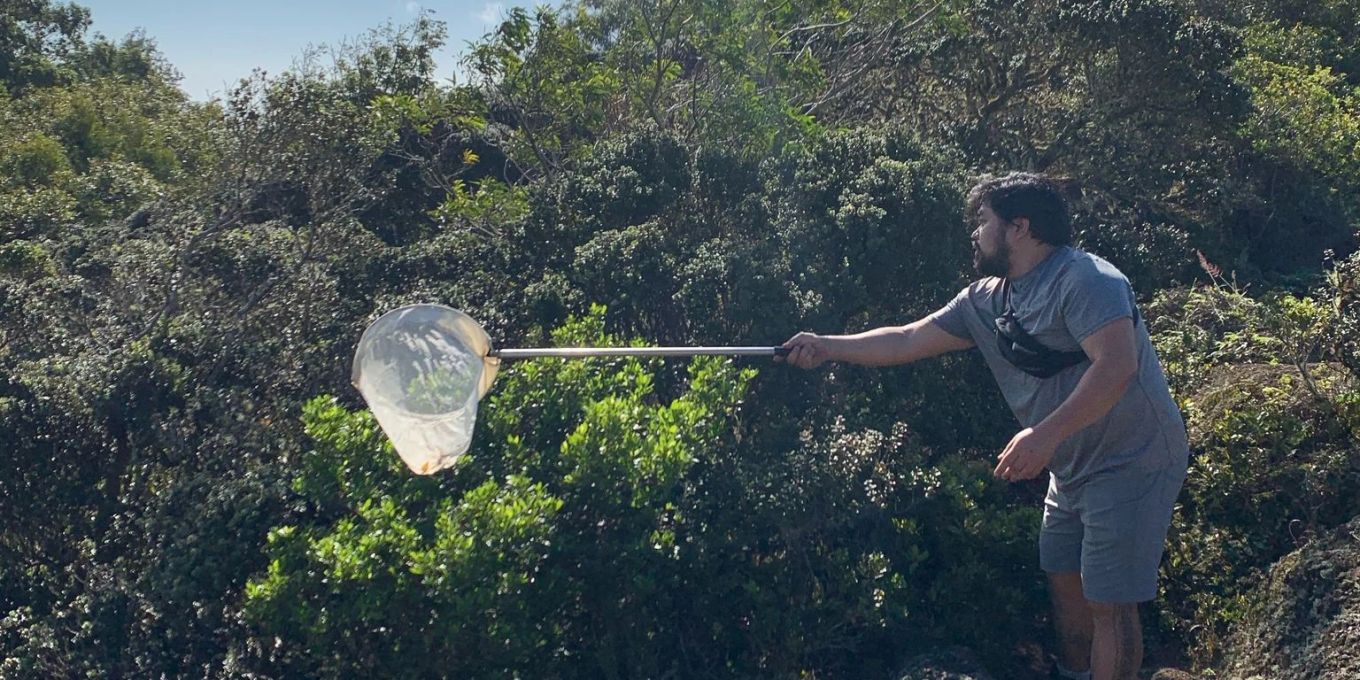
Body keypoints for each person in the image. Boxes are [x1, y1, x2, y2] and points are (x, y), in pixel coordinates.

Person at [777, 172, 1189, 680]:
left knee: (1110, 604)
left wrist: (1044, 435)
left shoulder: (1087, 280)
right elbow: (906, 339)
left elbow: (1117, 366)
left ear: (1019, 227)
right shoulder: (986, 300)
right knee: (1065, 582)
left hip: (1132, 460)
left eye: (983, 220)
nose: (975, 233)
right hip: (1070, 468)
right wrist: (827, 346)